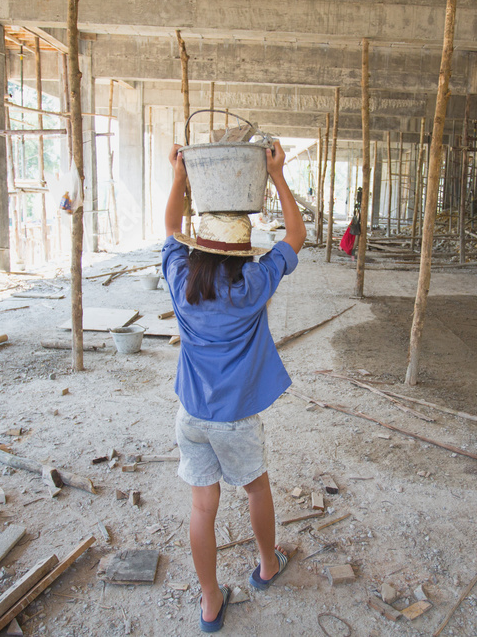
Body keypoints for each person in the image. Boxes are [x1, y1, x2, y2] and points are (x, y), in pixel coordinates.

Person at [162, 140, 305, 633]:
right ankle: (267, 565)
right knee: (256, 490)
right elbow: (296, 237)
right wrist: (277, 174)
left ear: (199, 248)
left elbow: (170, 230)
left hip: (192, 416)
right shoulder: (252, 286)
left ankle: (209, 599)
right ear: (244, 252)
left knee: (202, 507)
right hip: (236, 419)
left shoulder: (180, 278)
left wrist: (180, 177)